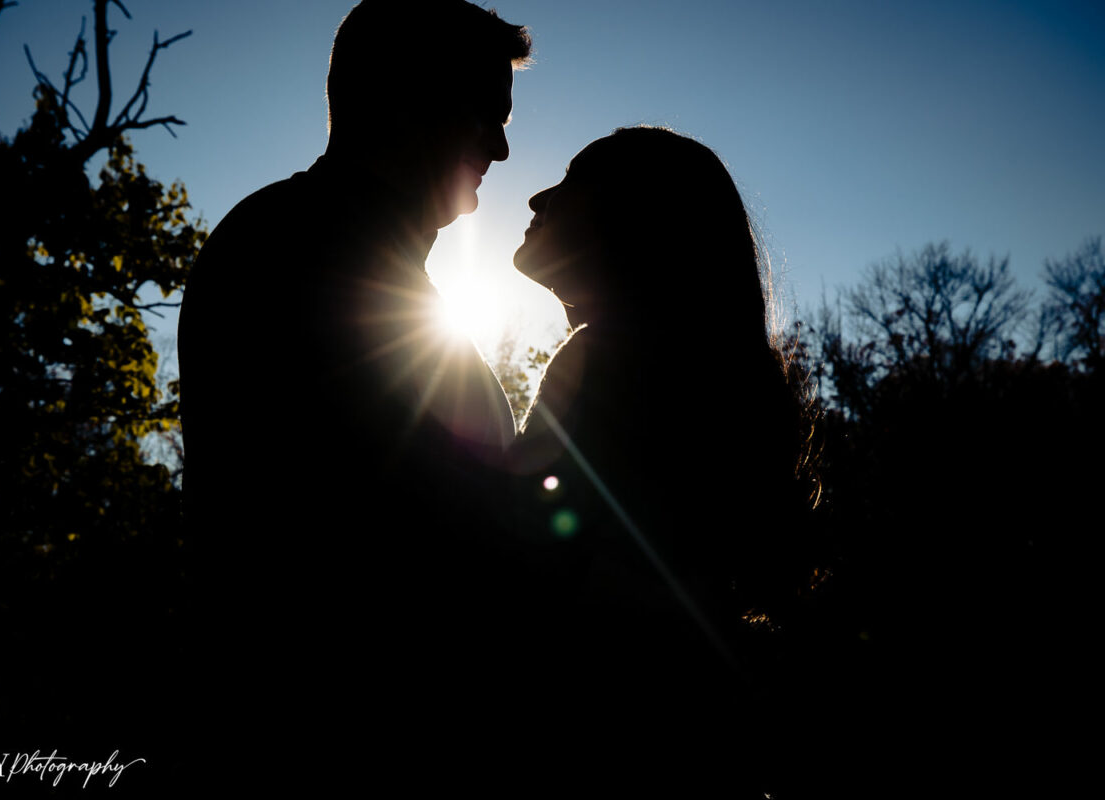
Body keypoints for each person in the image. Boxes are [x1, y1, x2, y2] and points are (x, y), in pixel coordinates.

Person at [175, 0, 532, 785]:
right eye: (486, 117)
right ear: (411, 105)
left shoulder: (342, 255)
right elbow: (389, 545)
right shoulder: (299, 251)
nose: (503, 149)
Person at [511, 126, 824, 789]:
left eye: (574, 181)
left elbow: (520, 553)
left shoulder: (603, 359)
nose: (538, 197)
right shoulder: (711, 381)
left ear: (633, 222)